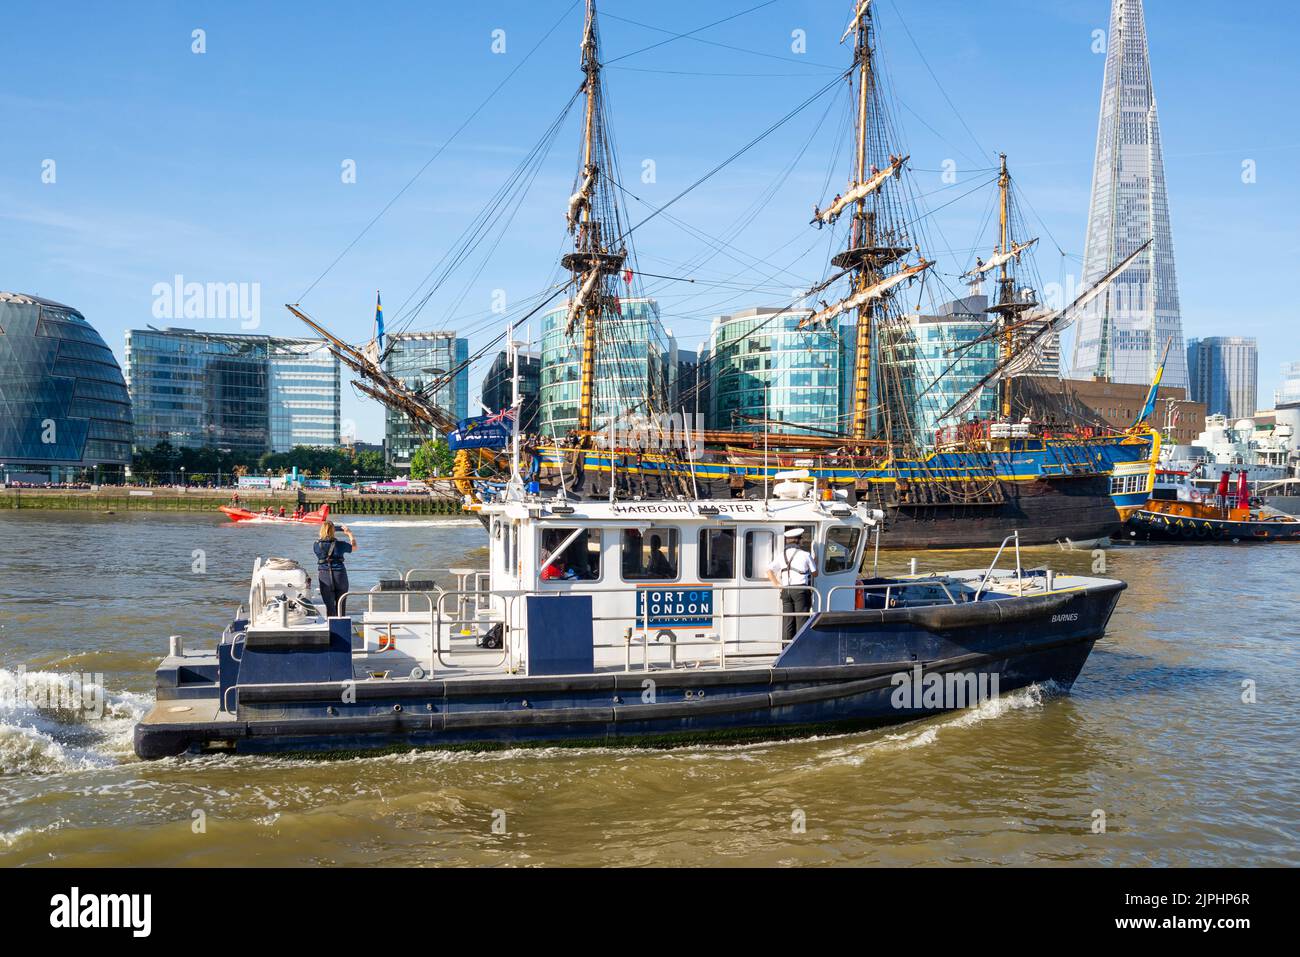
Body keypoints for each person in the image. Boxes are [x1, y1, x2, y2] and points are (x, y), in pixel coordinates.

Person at [766, 527, 816, 643]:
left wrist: (778, 585)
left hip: (786, 590)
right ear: (798, 541)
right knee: (801, 619)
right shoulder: (805, 554)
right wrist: (815, 559)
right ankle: (800, 647)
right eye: (801, 539)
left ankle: (786, 648)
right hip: (800, 590)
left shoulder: (781, 555)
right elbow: (815, 573)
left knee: (787, 621)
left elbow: (769, 570)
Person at [314, 521, 357, 617]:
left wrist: (326, 533)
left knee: (329, 607)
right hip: (340, 576)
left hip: (324, 575)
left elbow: (322, 542)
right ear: (333, 531)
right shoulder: (340, 544)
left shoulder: (316, 545)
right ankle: (341, 627)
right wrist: (349, 533)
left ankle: (331, 628)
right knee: (341, 605)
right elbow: (354, 547)